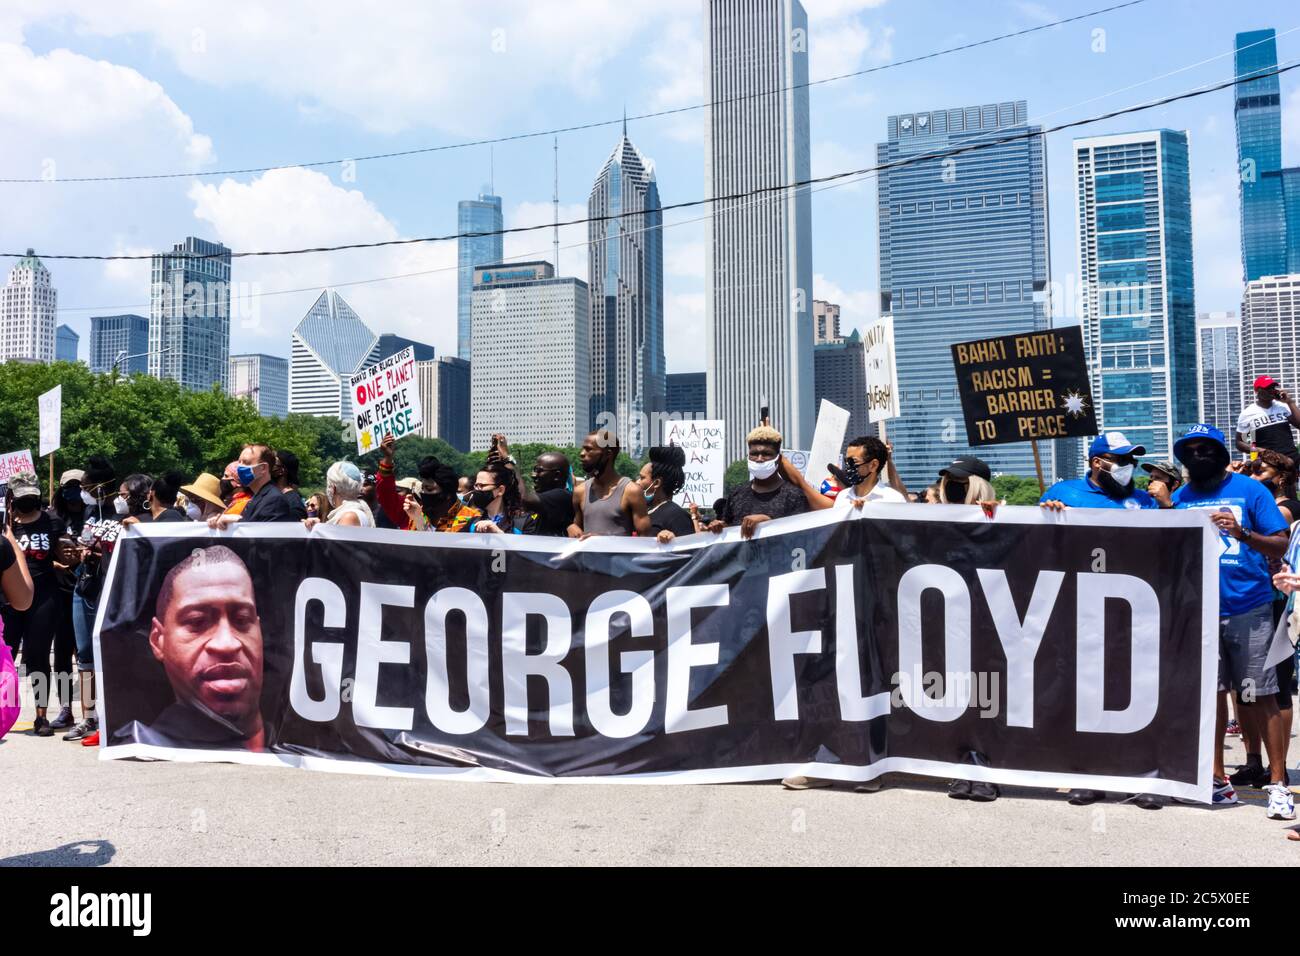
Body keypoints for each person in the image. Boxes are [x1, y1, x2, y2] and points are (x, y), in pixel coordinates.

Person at [1172, 424, 1292, 820]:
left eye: (1206, 448)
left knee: (1259, 693)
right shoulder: (1180, 497)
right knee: (1212, 696)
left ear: (1223, 453)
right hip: (1199, 611)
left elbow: (1279, 541)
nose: (1198, 455)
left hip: (1248, 607)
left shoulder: (1251, 491)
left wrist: (1241, 532)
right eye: (1190, 450)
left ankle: (1278, 784)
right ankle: (1217, 779)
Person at [110, 545, 265, 751]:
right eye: (197, 622)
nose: (226, 644)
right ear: (158, 641)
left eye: (242, 620)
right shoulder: (143, 746)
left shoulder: (300, 741)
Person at [2, 471, 67, 737]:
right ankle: (4, 710)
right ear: (11, 499)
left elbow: (59, 552)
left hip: (43, 597)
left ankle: (41, 716)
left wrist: (69, 556)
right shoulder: (6, 525)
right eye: (22, 498)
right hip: (8, 599)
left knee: (39, 655)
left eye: (31, 496)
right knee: (7, 653)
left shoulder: (52, 521)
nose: (27, 501)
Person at [64, 454, 118, 744]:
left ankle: (111, 716)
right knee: (83, 653)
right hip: (84, 585)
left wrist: (101, 553)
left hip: (109, 588)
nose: (82, 492)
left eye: (86, 486)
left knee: (106, 652)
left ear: (100, 488)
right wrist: (80, 553)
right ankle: (88, 717)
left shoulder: (120, 514)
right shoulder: (89, 514)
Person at [707, 426, 808, 539]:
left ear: (778, 459)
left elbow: (800, 537)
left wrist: (768, 522)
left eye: (766, 454)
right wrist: (719, 526)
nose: (759, 459)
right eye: (754, 454)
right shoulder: (737, 494)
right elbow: (728, 528)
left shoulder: (794, 495)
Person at [375, 433, 479, 532]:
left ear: (447, 494)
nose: (423, 493)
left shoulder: (471, 521)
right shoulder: (412, 513)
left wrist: (420, 522)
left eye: (429, 489)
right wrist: (388, 458)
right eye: (422, 488)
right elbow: (386, 495)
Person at [780, 435, 907, 512]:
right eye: (847, 461)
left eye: (853, 462)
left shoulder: (893, 499)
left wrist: (870, 513)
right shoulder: (842, 498)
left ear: (873, 465)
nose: (848, 467)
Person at [1040, 433, 1156, 511]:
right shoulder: (1061, 492)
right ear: (1097, 462)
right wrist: (1050, 514)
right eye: (1122, 460)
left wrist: (1167, 507)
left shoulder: (1144, 499)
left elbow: (1163, 540)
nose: (1128, 466)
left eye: (1132, 461)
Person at [568, 430, 651, 537]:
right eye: (583, 449)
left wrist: (604, 542)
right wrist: (572, 528)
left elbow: (645, 540)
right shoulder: (580, 491)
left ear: (608, 454)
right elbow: (577, 532)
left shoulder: (631, 491)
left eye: (589, 449)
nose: (582, 453)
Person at [491, 435, 574, 537]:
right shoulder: (542, 496)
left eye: (539, 471)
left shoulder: (562, 496)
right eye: (534, 470)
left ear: (557, 475)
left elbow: (523, 497)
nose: (533, 475)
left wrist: (508, 459)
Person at [209, 445, 297, 526]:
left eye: (246, 463)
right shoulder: (256, 496)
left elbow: (263, 535)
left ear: (263, 468)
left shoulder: (274, 499)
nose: (239, 467)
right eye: (239, 462)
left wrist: (234, 519)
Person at [637, 446, 696, 543]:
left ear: (656, 483)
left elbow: (689, 553)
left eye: (642, 478)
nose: (637, 482)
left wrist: (672, 540)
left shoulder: (677, 516)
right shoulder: (642, 511)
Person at [1236, 375, 1300, 464]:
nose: (1271, 390)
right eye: (1267, 388)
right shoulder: (1247, 414)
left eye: (1273, 388)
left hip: (1292, 460)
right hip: (1269, 464)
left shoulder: (1283, 406)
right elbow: (1240, 443)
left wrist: (1290, 402)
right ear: (1257, 391)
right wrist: (1257, 451)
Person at [467, 461, 535, 534]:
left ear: (500, 490)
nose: (477, 490)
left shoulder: (523, 521)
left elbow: (528, 544)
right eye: (476, 485)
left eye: (482, 485)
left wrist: (499, 534)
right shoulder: (473, 522)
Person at [1248, 449, 1300, 525]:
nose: (1251, 477)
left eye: (1259, 472)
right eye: (1251, 473)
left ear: (1282, 477)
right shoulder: (1263, 507)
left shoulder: (1285, 509)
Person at [315, 462, 373, 528]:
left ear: (333, 488)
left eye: (328, 485)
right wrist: (319, 527)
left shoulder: (349, 517)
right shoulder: (357, 509)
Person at [50, 469, 88, 538]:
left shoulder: (95, 515)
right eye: (69, 486)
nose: (73, 489)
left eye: (78, 485)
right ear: (62, 489)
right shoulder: (53, 517)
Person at [272, 449, 309, 520]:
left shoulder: (293, 503)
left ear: (282, 470)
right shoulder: (270, 496)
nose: (268, 466)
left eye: (273, 464)